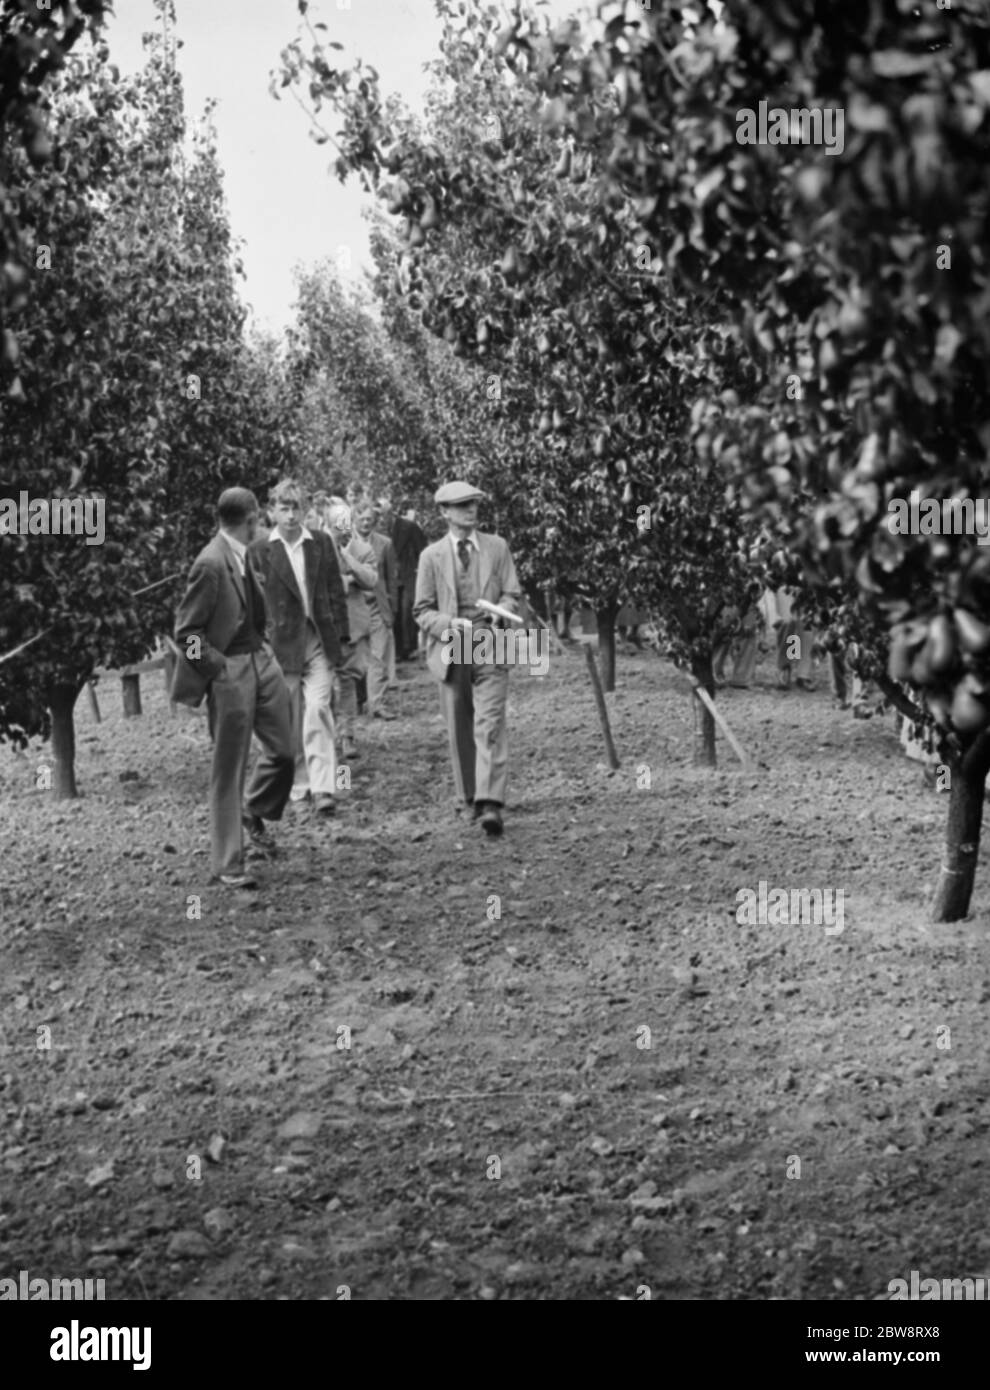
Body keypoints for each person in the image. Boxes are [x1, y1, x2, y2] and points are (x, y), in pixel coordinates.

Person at [170, 487, 294, 889]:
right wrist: (216, 668)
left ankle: (255, 808)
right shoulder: (209, 564)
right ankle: (228, 863)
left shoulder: (245, 554)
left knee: (285, 751)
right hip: (231, 670)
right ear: (252, 519)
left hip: (262, 659)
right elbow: (186, 632)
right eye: (262, 519)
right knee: (229, 769)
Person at [414, 480, 521, 837]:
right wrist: (449, 624)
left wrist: (500, 611)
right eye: (461, 506)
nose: (471, 511)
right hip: (452, 645)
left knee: (490, 721)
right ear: (444, 513)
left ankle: (491, 802)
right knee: (459, 723)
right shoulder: (431, 556)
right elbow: (422, 610)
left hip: (491, 640)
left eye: (474, 504)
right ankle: (469, 797)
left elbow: (511, 593)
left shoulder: (497, 547)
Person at [251, 479, 349, 818]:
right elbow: (253, 604)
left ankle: (325, 787)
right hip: (281, 646)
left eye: (296, 508)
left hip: (318, 640)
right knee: (289, 717)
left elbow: (336, 593)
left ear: (305, 510)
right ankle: (299, 784)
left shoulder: (320, 543)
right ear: (271, 512)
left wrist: (343, 640)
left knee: (318, 709)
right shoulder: (260, 551)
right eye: (284, 508)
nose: (291, 516)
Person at [327, 502, 377, 760]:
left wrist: (346, 558)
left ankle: (347, 736)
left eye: (347, 523)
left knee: (347, 682)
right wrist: (342, 582)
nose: (344, 529)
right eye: (338, 524)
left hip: (353, 627)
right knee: (325, 685)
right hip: (326, 626)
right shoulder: (317, 548)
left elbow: (370, 581)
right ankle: (327, 733)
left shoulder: (362, 550)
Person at [353, 501, 398, 720]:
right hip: (355, 607)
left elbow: (391, 579)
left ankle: (377, 703)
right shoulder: (345, 544)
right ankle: (358, 698)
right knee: (359, 657)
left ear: (375, 521)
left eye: (369, 519)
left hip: (378, 606)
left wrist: (392, 608)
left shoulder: (385, 544)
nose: (365, 523)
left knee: (379, 655)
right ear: (354, 519)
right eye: (361, 519)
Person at [391, 500, 428, 661]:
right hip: (390, 577)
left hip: (408, 574)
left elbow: (423, 550)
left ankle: (410, 647)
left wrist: (421, 571)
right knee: (395, 612)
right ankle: (398, 650)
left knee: (407, 610)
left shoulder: (409, 527)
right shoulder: (376, 530)